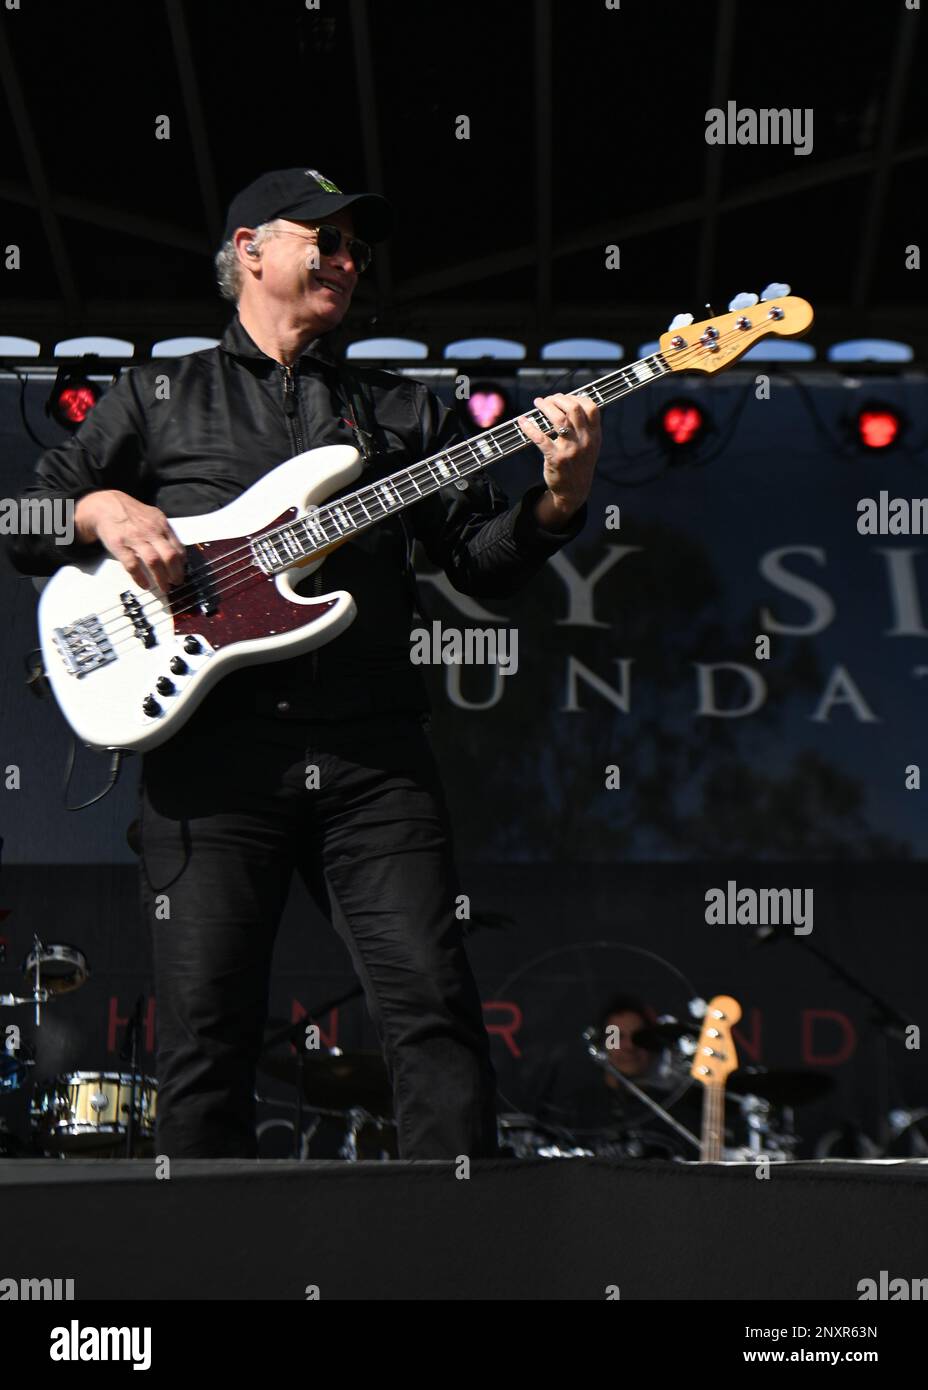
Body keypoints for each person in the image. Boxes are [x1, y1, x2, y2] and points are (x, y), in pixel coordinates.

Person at [8, 167, 600, 1159]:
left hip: (371, 758)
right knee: (204, 1037)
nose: (346, 258)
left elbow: (480, 566)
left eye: (356, 247)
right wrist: (101, 509)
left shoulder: (402, 412)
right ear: (248, 250)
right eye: (321, 237)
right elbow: (25, 523)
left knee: (435, 1012)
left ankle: (457, 1259)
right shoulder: (158, 396)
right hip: (208, 755)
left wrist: (559, 499)